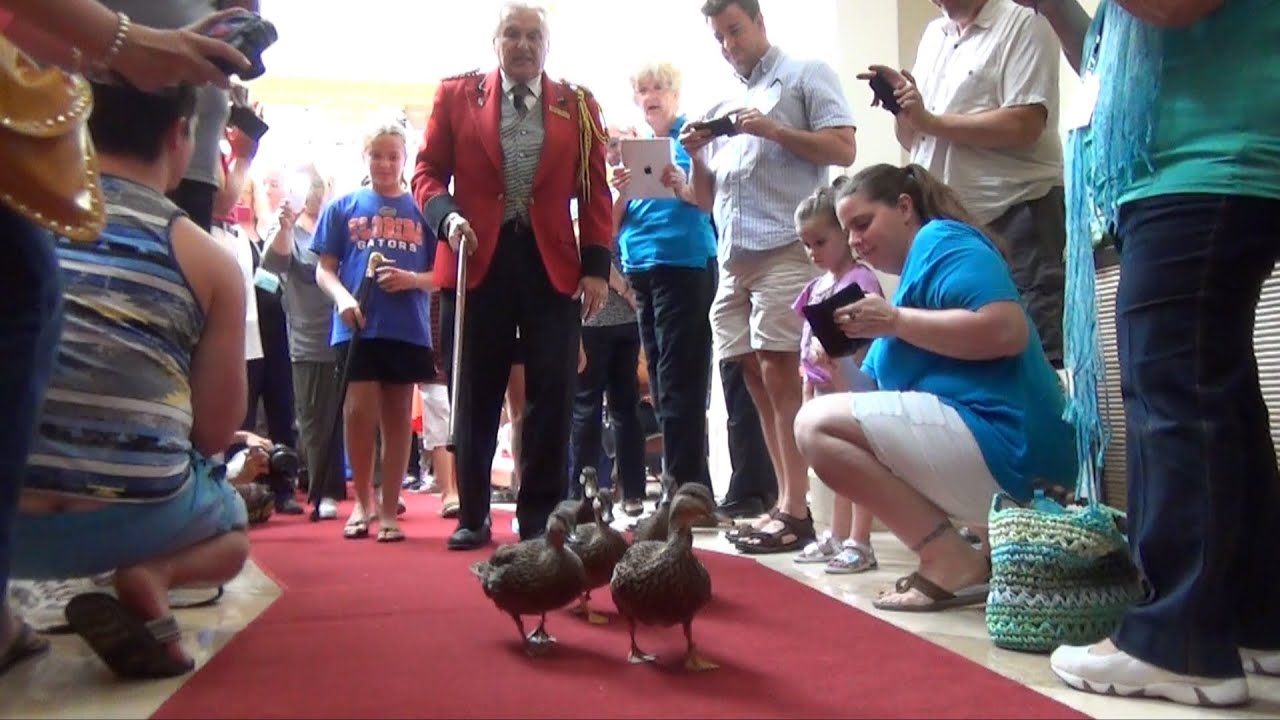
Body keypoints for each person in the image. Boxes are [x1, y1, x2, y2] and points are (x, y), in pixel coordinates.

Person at [1023, 0, 1280, 706]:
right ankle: (1256, 622)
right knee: (1211, 396)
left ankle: (1179, 639)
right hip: (1194, 166)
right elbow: (1108, 59)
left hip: (1204, 164)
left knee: (1175, 400)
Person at [0, 0, 248, 678]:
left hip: (6, 523)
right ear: (180, 138)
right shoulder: (211, 261)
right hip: (132, 520)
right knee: (230, 521)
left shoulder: (20, 224)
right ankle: (154, 574)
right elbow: (216, 433)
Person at [793, 163, 1076, 611]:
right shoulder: (912, 280)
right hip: (1004, 452)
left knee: (813, 426)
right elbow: (874, 403)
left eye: (863, 224)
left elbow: (1006, 331)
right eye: (847, 232)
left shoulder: (942, 240)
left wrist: (896, 322)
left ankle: (948, 558)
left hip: (1016, 450)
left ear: (905, 207)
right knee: (823, 422)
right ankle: (974, 552)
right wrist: (841, 360)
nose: (855, 241)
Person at [412, 2, 613, 550]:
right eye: (512, 34)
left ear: (547, 45)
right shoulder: (456, 96)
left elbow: (596, 190)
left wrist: (596, 268)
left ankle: (539, 517)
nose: (523, 45)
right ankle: (474, 515)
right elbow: (426, 172)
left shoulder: (579, 105)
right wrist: (445, 216)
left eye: (533, 36)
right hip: (475, 262)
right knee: (474, 392)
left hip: (552, 269)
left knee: (552, 394)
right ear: (494, 41)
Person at [683, 0, 857, 554]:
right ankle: (784, 499)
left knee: (783, 372)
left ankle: (797, 510)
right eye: (718, 36)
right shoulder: (720, 101)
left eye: (734, 30)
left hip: (786, 244)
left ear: (759, 22)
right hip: (732, 255)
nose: (728, 43)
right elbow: (705, 199)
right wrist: (695, 159)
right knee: (753, 377)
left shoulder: (806, 74)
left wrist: (776, 131)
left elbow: (844, 146)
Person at [861, 0, 1066, 366]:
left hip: (1018, 215)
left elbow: (1026, 124)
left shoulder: (1023, 21)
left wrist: (929, 121)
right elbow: (915, 141)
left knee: (1038, 353)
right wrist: (903, 110)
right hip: (950, 226)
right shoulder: (933, 35)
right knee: (964, 363)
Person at [315, 122, 436, 544]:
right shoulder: (343, 206)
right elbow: (324, 269)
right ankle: (362, 503)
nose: (385, 164)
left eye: (393, 156)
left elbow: (441, 275)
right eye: (377, 155)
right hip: (356, 325)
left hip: (407, 327)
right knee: (358, 412)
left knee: (399, 417)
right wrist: (343, 300)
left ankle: (389, 508)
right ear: (364, 157)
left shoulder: (423, 210)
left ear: (405, 159)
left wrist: (411, 280)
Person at [610, 61, 719, 512]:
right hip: (641, 268)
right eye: (643, 88)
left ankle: (684, 489)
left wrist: (683, 180)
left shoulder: (690, 140)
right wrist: (620, 188)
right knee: (658, 381)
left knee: (679, 381)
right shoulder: (633, 151)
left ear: (675, 93)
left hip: (684, 262)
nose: (651, 95)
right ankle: (689, 487)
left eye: (659, 87)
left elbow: (707, 201)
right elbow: (611, 228)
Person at [788, 181, 883, 573]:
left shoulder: (861, 282)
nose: (812, 253)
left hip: (853, 385)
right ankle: (836, 533)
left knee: (858, 464)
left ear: (844, 236)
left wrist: (844, 375)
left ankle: (861, 540)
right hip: (821, 387)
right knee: (834, 467)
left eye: (820, 242)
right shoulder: (817, 287)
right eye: (806, 245)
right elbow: (807, 337)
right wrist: (807, 384)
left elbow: (867, 347)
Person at [262, 166, 345, 521]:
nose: (312, 194)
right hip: (307, 336)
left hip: (344, 329)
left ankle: (357, 489)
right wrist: (283, 226)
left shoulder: (337, 222)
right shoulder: (287, 230)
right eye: (305, 187)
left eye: (317, 186)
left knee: (345, 414)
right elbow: (273, 264)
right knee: (312, 417)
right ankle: (322, 491)